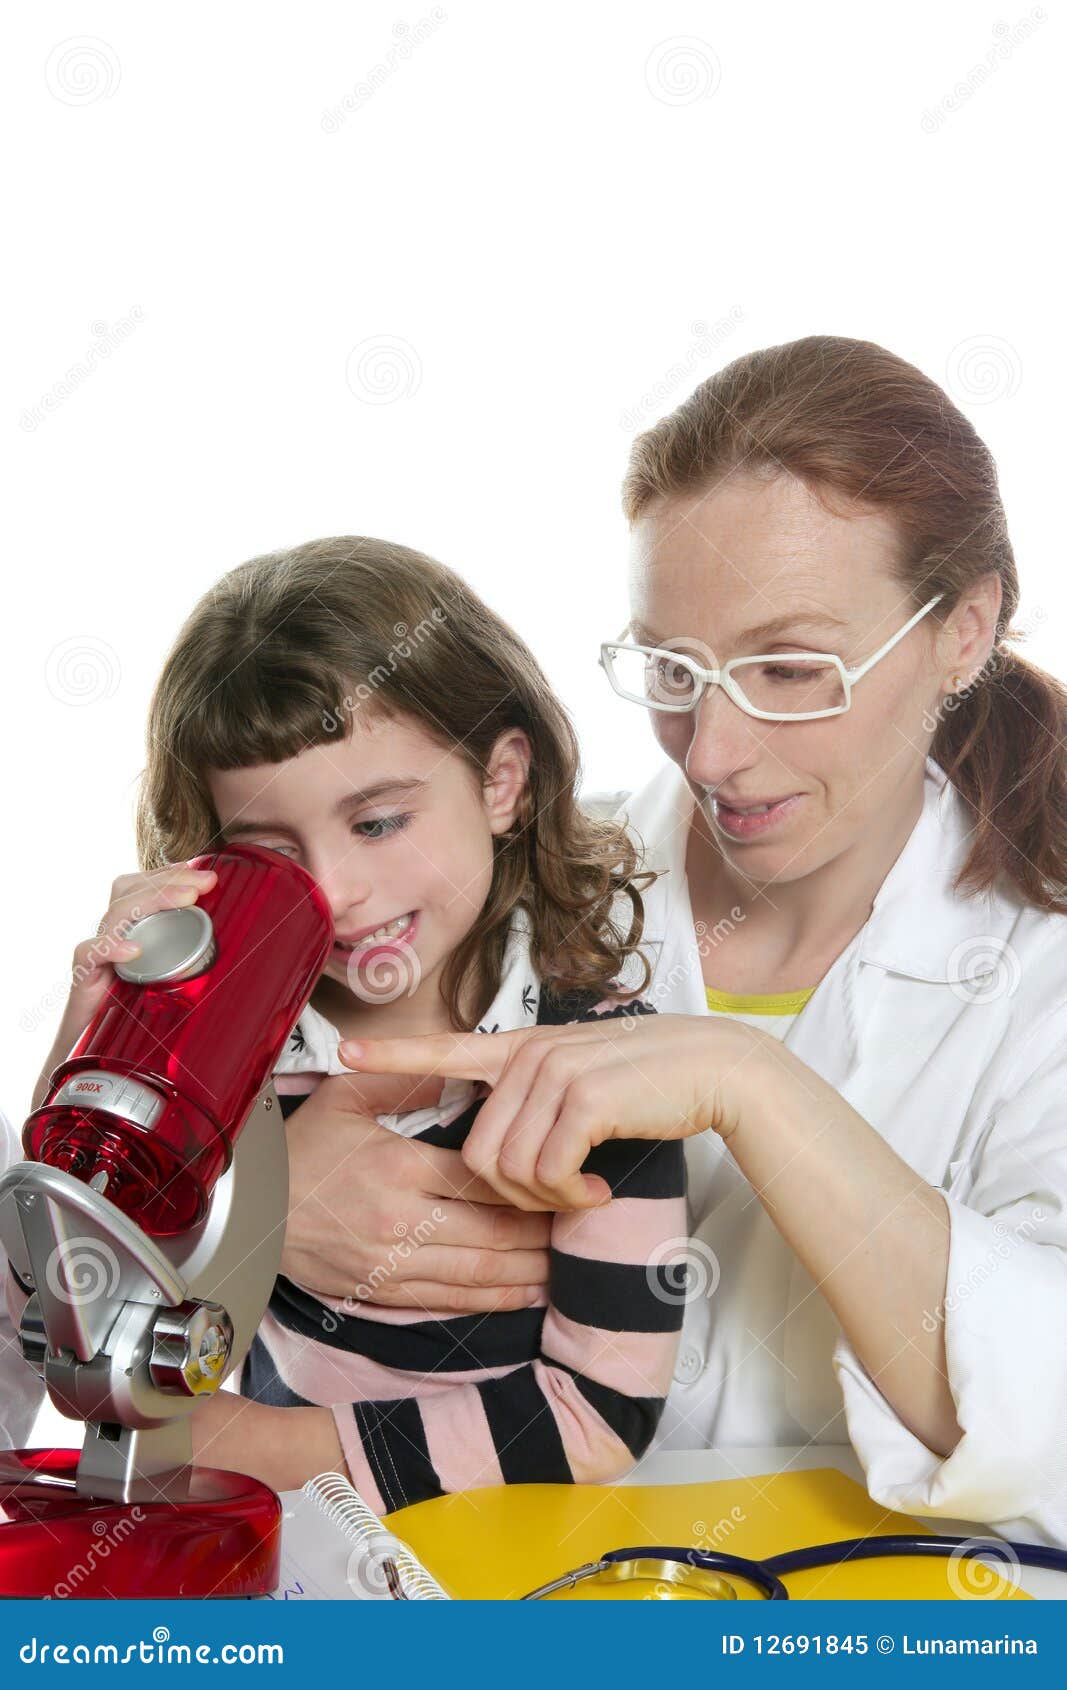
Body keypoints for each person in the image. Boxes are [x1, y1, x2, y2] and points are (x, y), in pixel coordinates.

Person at [335, 337, 1067, 1548]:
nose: (711, 748)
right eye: (672, 668)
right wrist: (263, 1210)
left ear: (962, 631)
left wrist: (747, 1083)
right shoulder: (510, 880)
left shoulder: (1037, 976)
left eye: (789, 669)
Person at [11, 537, 687, 1508]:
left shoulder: (599, 1068)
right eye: (272, 848)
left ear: (500, 783)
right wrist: (96, 1032)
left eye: (376, 823)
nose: (335, 889)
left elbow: (597, 1416)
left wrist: (244, 1439)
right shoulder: (222, 1058)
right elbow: (70, 1284)